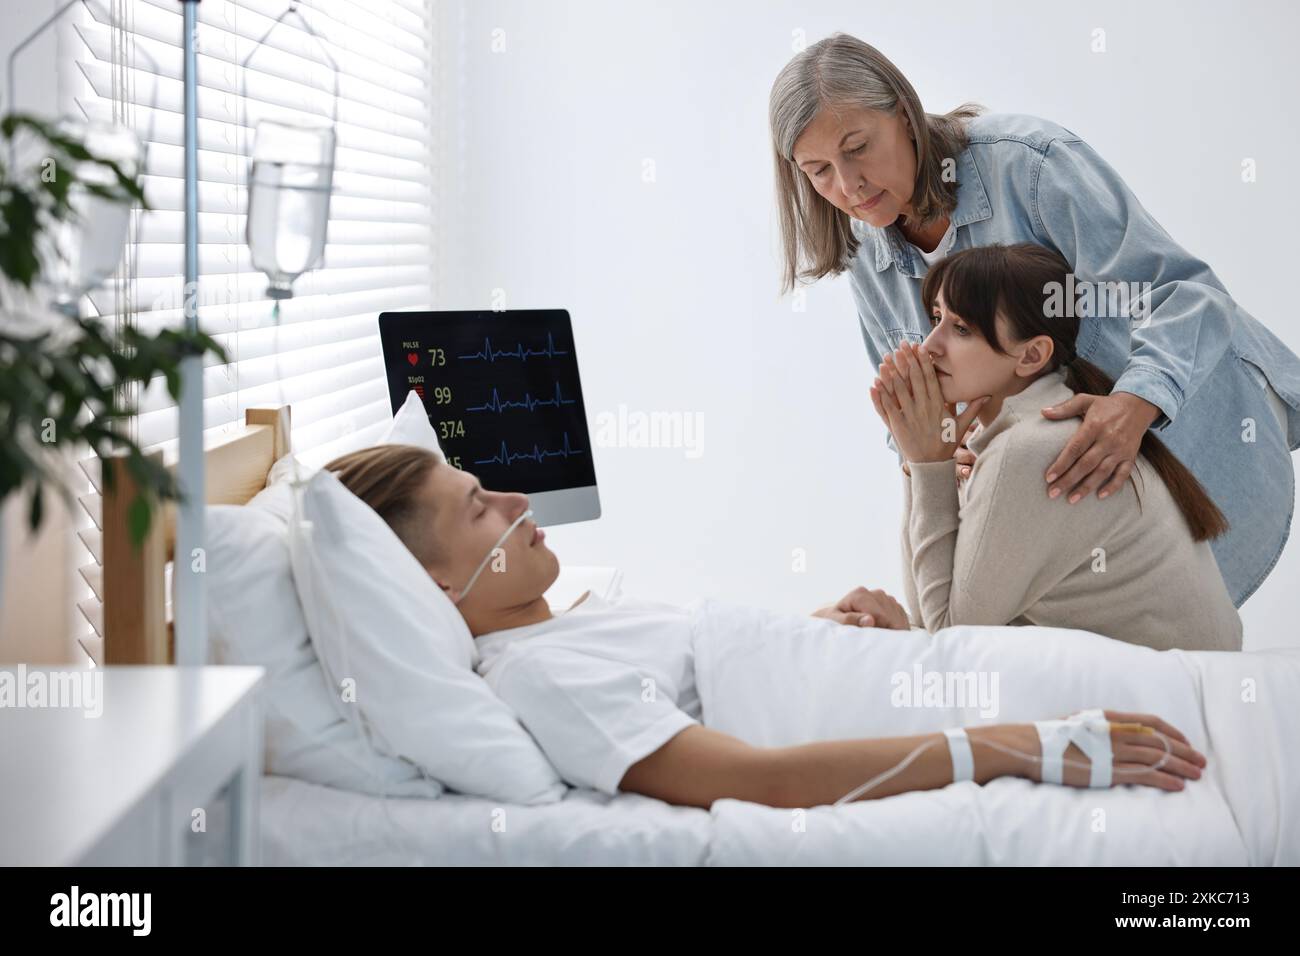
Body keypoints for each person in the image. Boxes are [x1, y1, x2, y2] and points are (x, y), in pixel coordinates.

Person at [322, 443, 1206, 809]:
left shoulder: (564, 630)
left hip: (929, 664)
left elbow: (708, 681)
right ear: (432, 584)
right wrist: (1019, 748)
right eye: (481, 509)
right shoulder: (537, 679)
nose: (517, 500)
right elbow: (756, 780)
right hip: (981, 708)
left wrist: (806, 634)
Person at [769, 32, 1299, 608]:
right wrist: (946, 452)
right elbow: (918, 420)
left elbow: (1184, 294)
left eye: (857, 147)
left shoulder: (1032, 167)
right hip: (1078, 513)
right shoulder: (868, 256)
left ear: (904, 113)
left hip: (1206, 437)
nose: (848, 187)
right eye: (818, 171)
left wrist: (1134, 404)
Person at [870, 243, 1242, 650]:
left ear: (1031, 355)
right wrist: (919, 461)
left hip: (1163, 698)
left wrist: (928, 464)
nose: (929, 346)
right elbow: (928, 613)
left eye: (962, 329)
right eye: (937, 318)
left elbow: (950, 637)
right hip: (1164, 683)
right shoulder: (1029, 431)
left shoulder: (1031, 448)